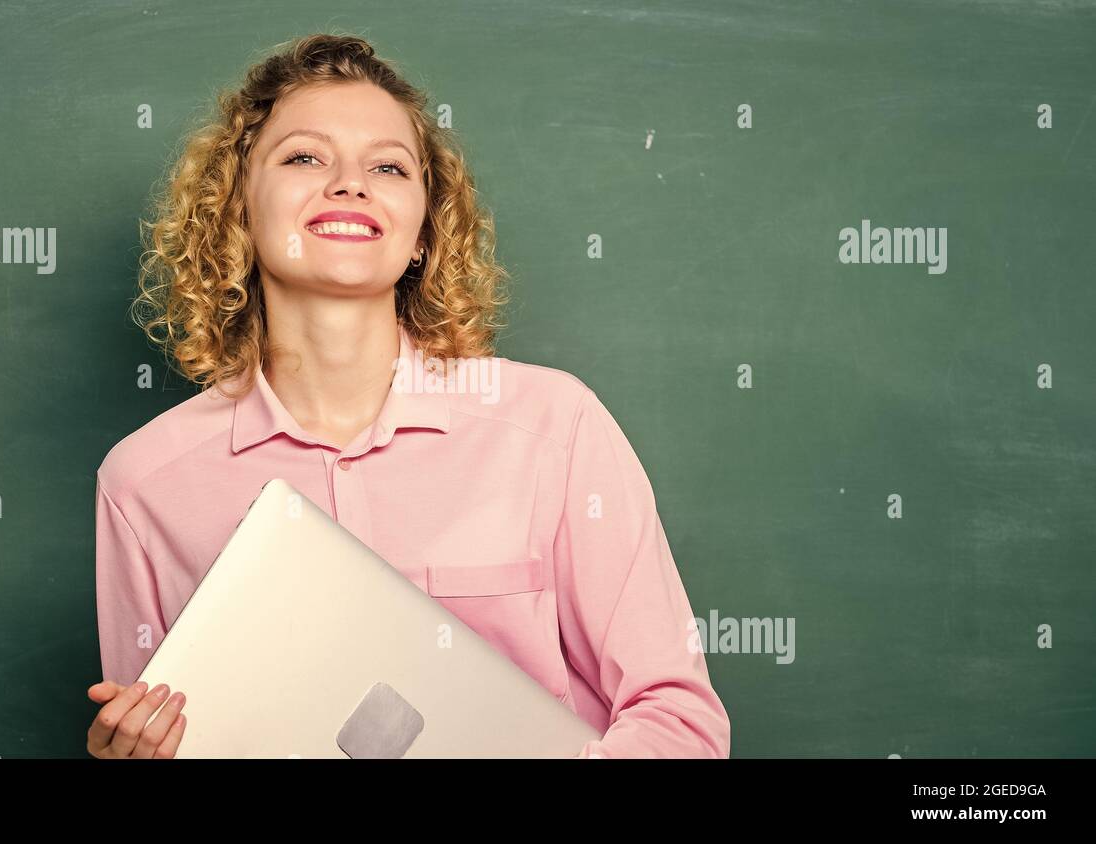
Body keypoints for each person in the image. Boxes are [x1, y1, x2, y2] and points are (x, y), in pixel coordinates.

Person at [87, 33, 731, 759]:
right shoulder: (143, 485)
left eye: (388, 166)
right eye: (304, 157)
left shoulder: (556, 427)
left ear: (423, 231)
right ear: (236, 206)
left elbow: (679, 722)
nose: (349, 183)